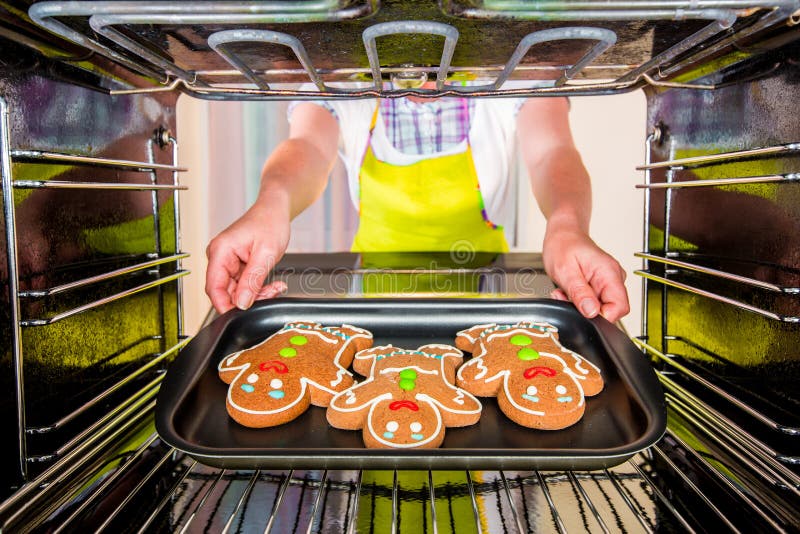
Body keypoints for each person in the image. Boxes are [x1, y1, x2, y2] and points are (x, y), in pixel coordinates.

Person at [204, 80, 630, 323]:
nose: (423, 76)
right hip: (375, 298)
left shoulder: (512, 71)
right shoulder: (344, 75)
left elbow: (552, 152)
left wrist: (568, 224)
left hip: (484, 300)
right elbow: (308, 147)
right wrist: (272, 203)